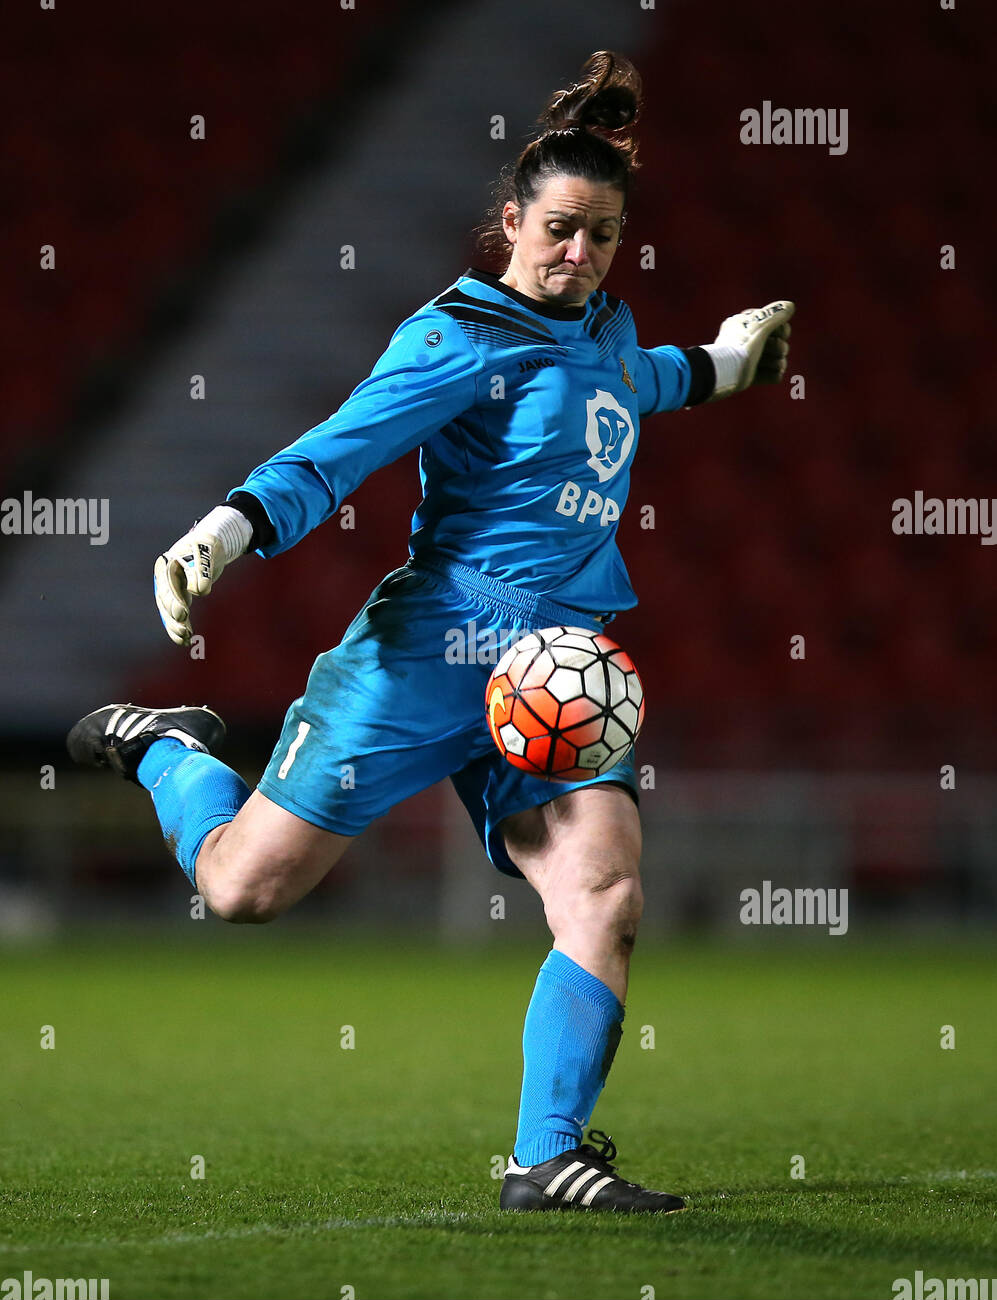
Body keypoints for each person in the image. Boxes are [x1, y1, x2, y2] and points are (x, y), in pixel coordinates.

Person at [68, 51, 792, 1212]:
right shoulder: (456, 335)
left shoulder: (603, 327)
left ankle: (545, 1156)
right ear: (510, 220)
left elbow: (633, 381)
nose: (580, 254)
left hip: (555, 673)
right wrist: (227, 527)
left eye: (603, 235)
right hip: (426, 653)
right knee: (244, 891)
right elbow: (341, 446)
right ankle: (167, 745)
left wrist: (720, 363)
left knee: (603, 894)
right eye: (560, 229)